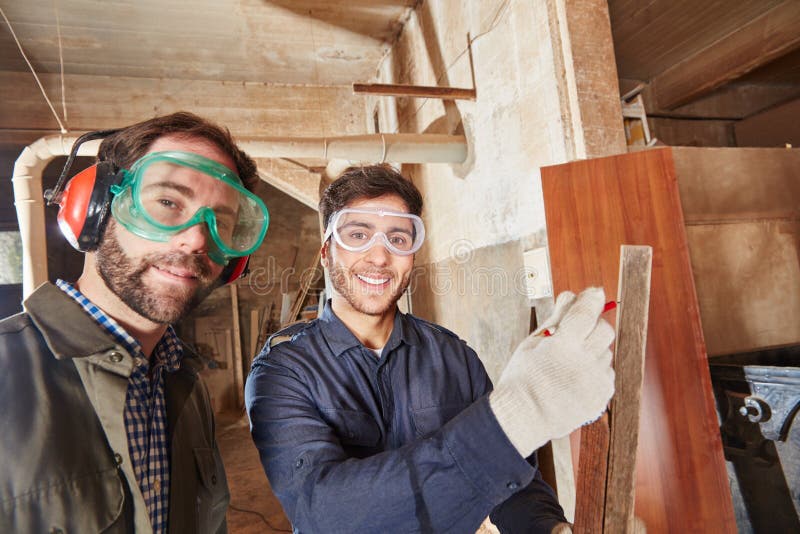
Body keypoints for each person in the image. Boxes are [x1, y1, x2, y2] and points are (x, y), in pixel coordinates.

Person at [245, 164, 615, 533]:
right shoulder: (283, 372)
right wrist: (513, 417)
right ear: (326, 252)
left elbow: (514, 481)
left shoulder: (454, 357)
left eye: (399, 238)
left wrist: (547, 527)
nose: (379, 257)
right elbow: (325, 511)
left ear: (413, 254)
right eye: (358, 235)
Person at [0, 112, 269, 533]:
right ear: (93, 209)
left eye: (222, 221)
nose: (197, 238)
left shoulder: (187, 384)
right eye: (168, 203)